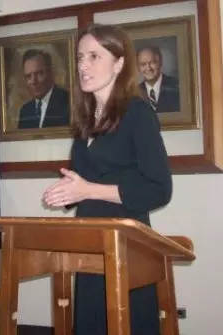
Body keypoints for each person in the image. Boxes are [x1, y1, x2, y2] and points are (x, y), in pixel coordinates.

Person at [43, 24, 172, 335]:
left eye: (93, 57)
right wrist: (69, 194)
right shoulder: (86, 121)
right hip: (90, 246)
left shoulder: (138, 113)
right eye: (79, 58)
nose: (83, 66)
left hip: (127, 249)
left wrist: (88, 189)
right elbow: (86, 183)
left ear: (119, 63)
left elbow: (159, 189)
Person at [18, 49, 70, 129]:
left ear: (50, 73)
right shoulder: (25, 111)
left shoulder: (68, 102)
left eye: (39, 74)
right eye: (28, 76)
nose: (33, 81)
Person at [137, 45, 180, 113]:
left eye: (152, 62)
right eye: (143, 64)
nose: (148, 68)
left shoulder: (177, 87)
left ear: (160, 62)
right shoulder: (135, 93)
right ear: (138, 68)